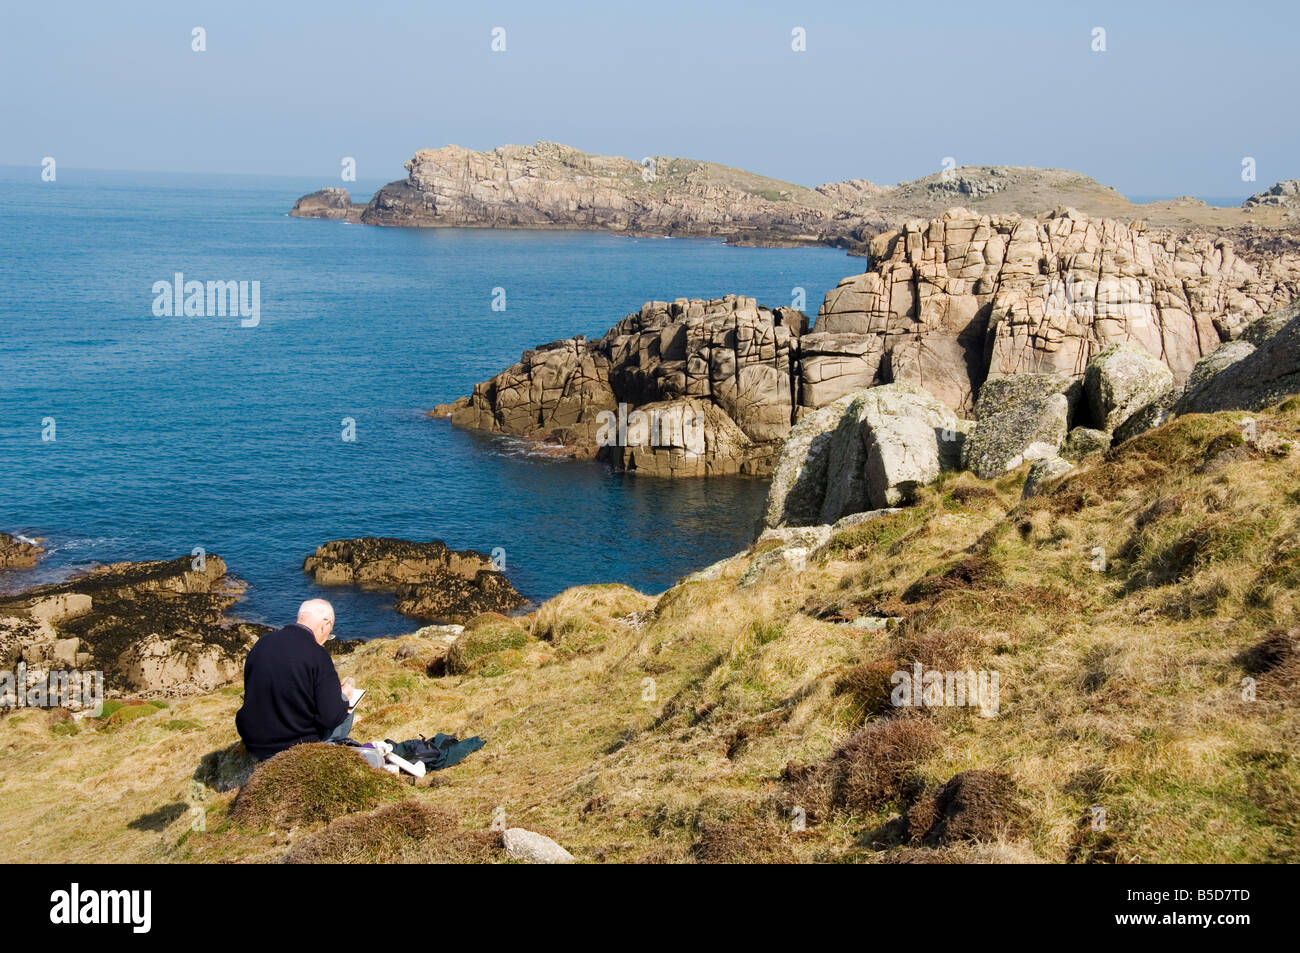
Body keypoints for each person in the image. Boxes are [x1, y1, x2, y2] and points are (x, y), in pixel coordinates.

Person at [235, 598, 359, 760]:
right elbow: (330, 717)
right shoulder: (317, 655)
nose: (327, 638)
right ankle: (332, 745)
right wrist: (343, 698)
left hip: (254, 741)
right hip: (292, 746)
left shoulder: (262, 643)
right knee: (345, 709)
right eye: (330, 632)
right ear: (325, 624)